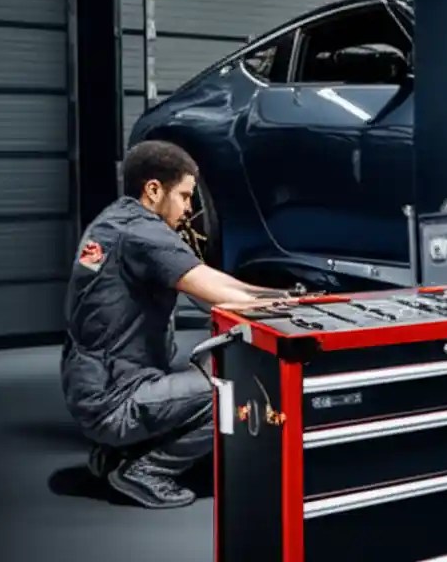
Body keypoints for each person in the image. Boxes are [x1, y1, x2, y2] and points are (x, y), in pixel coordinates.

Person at [60, 140, 289, 509]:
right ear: (153, 189)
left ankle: (115, 452)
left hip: (91, 389)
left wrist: (273, 295)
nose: (187, 210)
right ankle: (146, 470)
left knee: (197, 371)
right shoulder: (144, 233)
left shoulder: (113, 221)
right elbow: (213, 290)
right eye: (184, 196)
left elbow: (212, 279)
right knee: (238, 391)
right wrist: (290, 307)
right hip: (114, 400)